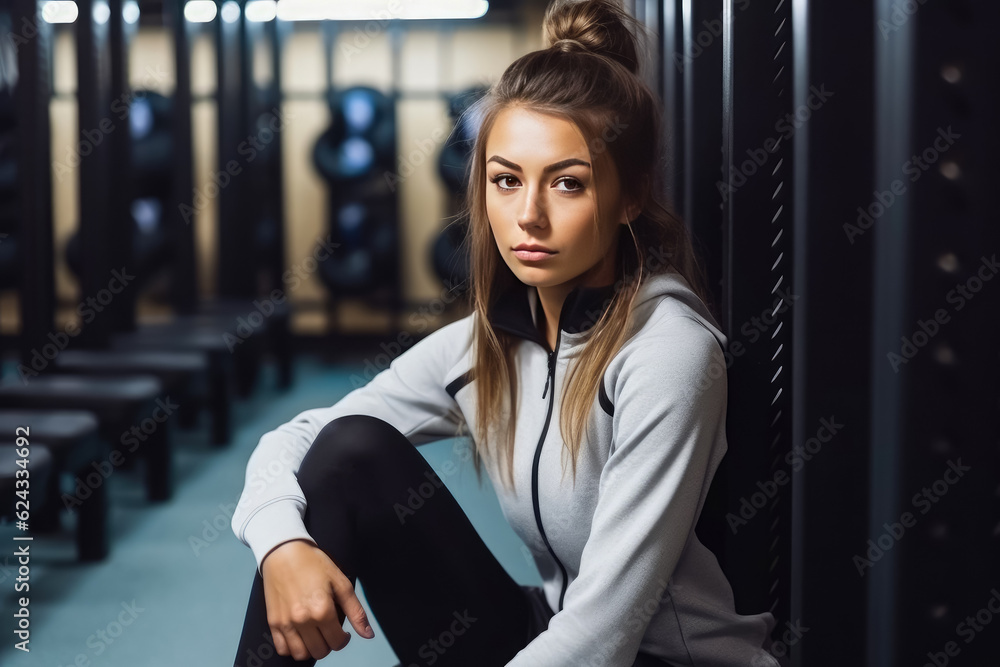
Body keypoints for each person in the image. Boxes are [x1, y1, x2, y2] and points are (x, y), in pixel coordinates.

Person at [230, 1, 781, 665]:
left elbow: (603, 635)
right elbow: (298, 440)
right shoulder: (494, 340)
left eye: (568, 184)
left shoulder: (667, 352)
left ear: (631, 196)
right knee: (351, 453)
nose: (529, 216)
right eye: (506, 180)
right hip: (549, 631)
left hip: (647, 657)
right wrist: (279, 543)